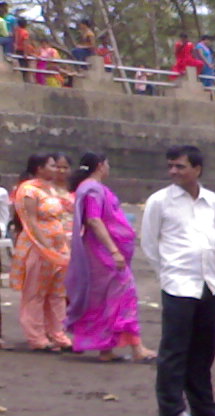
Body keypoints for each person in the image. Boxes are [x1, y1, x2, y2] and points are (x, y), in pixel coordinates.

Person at [140, 144, 215, 416]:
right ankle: (172, 411)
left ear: (197, 169)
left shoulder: (212, 200)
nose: (173, 171)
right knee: (174, 350)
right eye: (171, 166)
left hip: (207, 281)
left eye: (180, 166)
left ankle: (204, 406)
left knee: (204, 349)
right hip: (178, 283)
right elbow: (149, 243)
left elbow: (210, 238)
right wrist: (166, 273)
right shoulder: (160, 201)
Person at [65, 152, 154, 362]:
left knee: (106, 299)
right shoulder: (93, 189)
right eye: (107, 164)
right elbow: (94, 220)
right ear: (100, 166)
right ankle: (137, 348)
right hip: (103, 255)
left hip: (100, 253)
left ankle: (106, 349)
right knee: (125, 295)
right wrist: (114, 251)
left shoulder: (88, 188)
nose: (109, 168)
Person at [13, 152, 73, 351]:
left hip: (57, 249)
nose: (57, 169)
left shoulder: (50, 190)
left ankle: (58, 334)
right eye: (52, 166)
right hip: (37, 248)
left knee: (57, 294)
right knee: (35, 294)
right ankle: (37, 337)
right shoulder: (28, 190)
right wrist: (44, 246)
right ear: (39, 168)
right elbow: (30, 221)